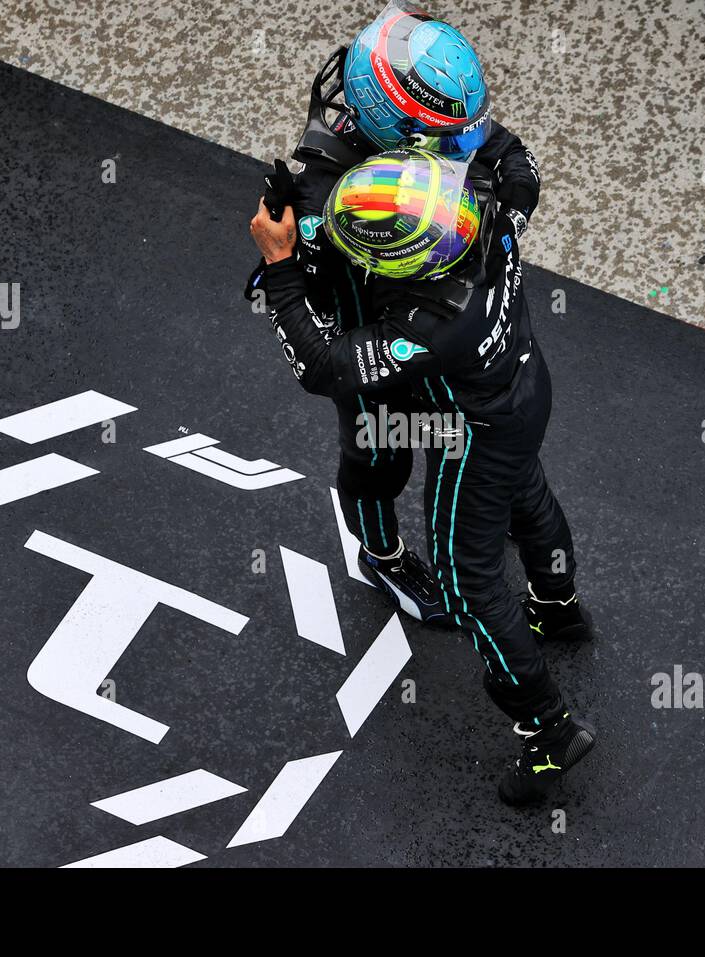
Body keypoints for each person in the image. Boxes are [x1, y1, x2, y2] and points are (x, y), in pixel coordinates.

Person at [249, 148, 594, 805]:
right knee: (527, 493)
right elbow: (513, 163)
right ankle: (558, 605)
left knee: (468, 583)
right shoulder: (492, 209)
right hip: (521, 388)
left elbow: (323, 368)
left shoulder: (426, 326)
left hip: (471, 431)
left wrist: (282, 265)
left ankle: (548, 731)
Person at [247, 2, 540, 626]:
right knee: (381, 461)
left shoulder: (443, 133)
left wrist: (500, 233)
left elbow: (511, 156)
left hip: (443, 357)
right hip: (373, 363)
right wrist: (280, 264)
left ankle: (489, 510)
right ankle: (382, 556)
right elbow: (321, 365)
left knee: (468, 452)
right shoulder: (310, 194)